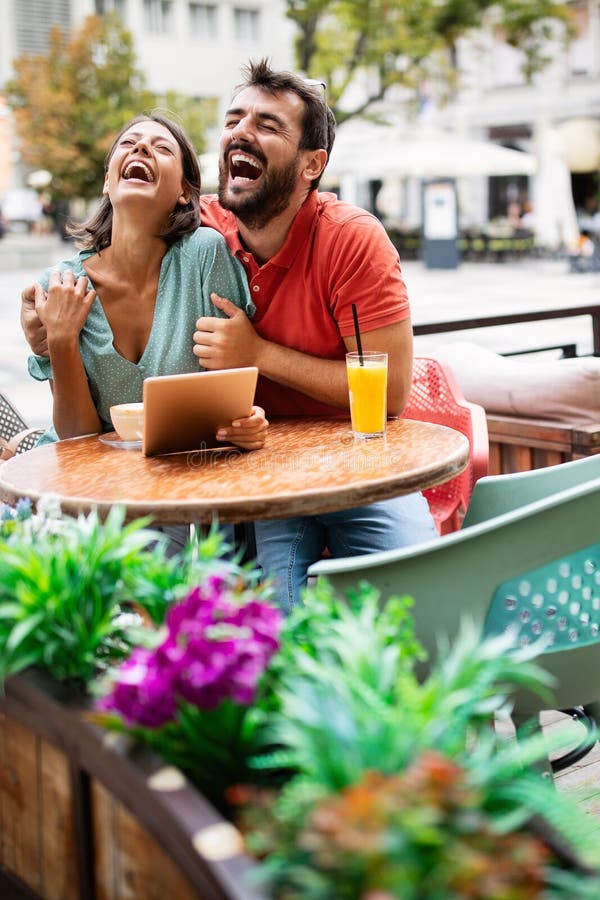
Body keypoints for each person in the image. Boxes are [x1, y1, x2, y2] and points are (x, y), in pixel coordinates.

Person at [21, 64, 437, 613]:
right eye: (234, 118)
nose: (242, 132)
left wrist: (258, 354)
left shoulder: (349, 240)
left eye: (268, 125)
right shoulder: (204, 229)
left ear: (313, 164)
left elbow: (388, 395)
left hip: (356, 456)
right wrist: (47, 337)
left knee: (422, 595)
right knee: (266, 616)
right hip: (257, 467)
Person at [25, 113, 267, 453]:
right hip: (91, 482)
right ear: (108, 182)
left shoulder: (205, 256)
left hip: (186, 470)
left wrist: (245, 423)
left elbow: (231, 404)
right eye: (128, 143)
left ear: (184, 191)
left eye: (162, 148)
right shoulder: (63, 286)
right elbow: (75, 441)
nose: (140, 147)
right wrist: (61, 339)